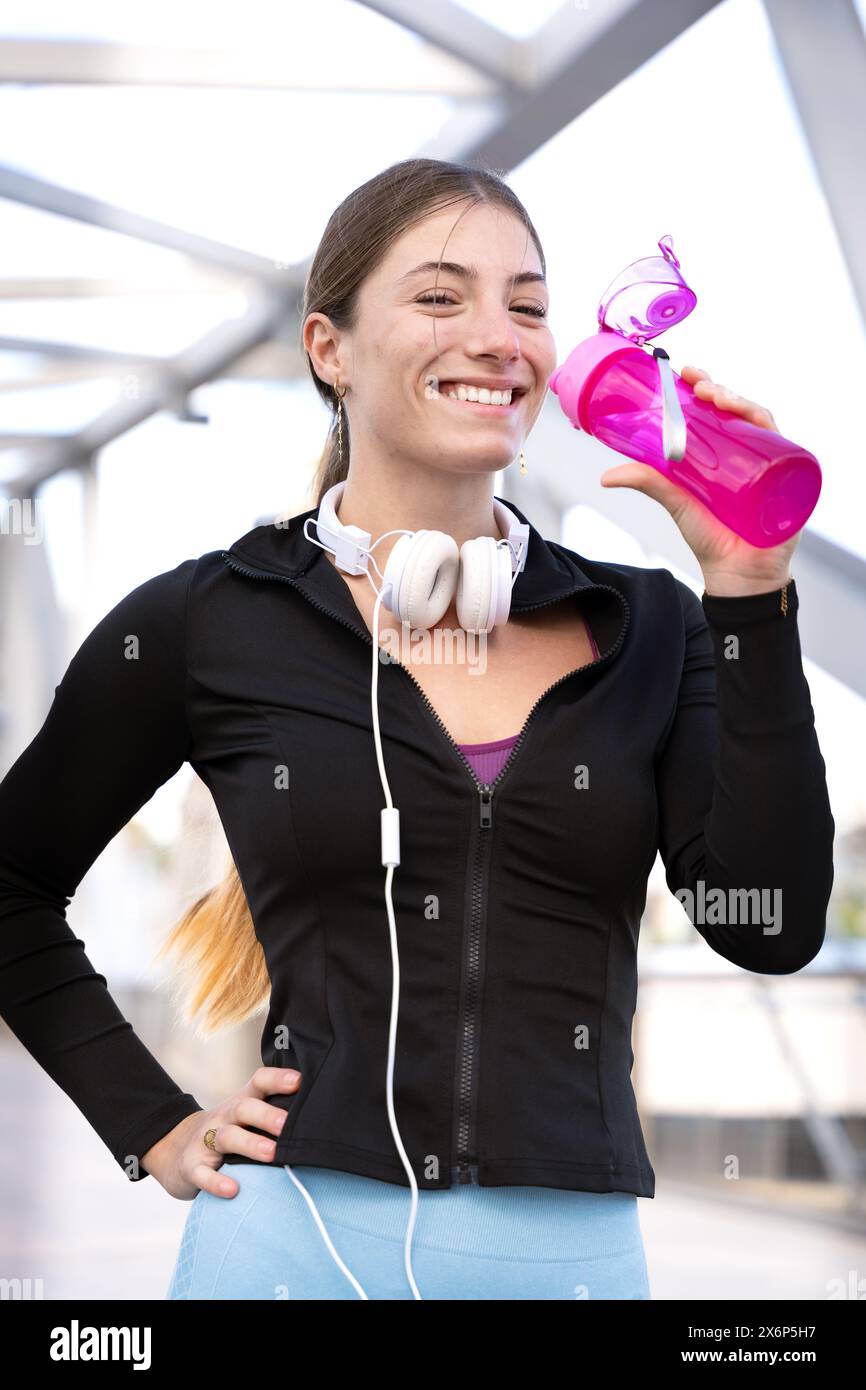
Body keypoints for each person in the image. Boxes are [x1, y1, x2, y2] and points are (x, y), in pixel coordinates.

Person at [0, 158, 835, 1302]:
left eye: (528, 305)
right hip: (283, 1255)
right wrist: (153, 1123)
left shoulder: (649, 626)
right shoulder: (210, 620)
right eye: (442, 298)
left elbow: (774, 927)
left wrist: (747, 594)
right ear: (328, 349)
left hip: (572, 1271)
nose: (499, 336)